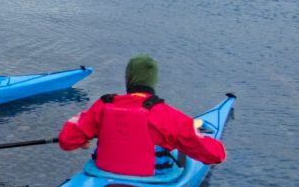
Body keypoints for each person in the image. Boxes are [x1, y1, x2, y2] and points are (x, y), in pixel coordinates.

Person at [58, 54, 226, 176]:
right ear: (153, 81)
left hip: (103, 172)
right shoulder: (168, 115)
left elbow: (67, 141)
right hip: (152, 180)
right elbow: (215, 155)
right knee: (172, 149)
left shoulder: (103, 105)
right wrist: (190, 139)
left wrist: (84, 137)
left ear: (127, 79)